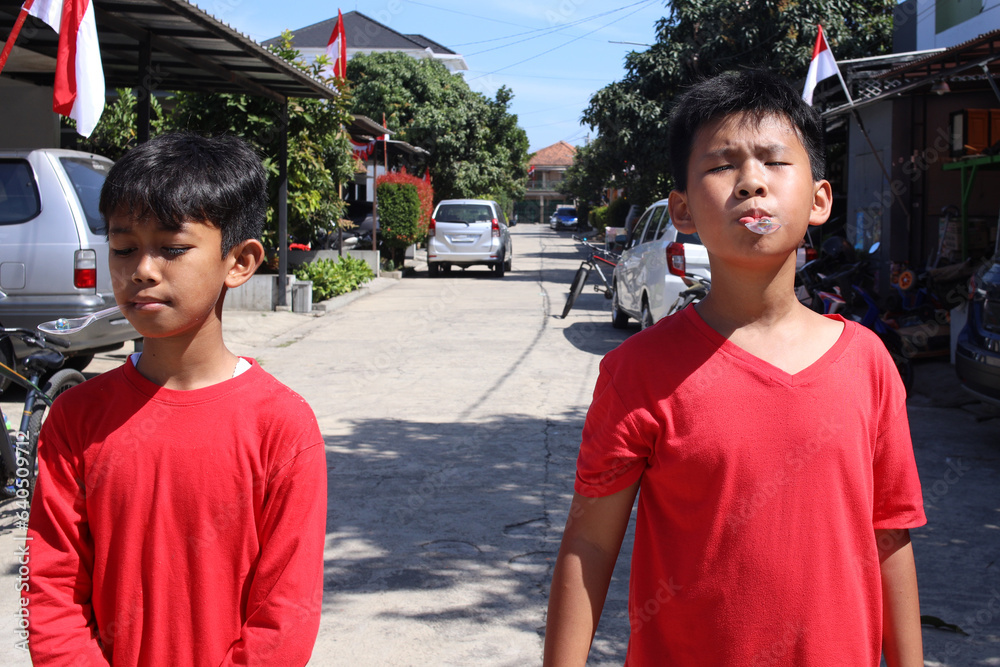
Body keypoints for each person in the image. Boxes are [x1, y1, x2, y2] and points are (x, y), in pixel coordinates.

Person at [543, 69, 925, 667]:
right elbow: (589, 544)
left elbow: (891, 535)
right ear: (683, 209)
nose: (751, 182)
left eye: (774, 161)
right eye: (722, 166)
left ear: (820, 198)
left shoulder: (869, 364)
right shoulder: (638, 373)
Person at [25, 133, 328, 666]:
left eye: (172, 247)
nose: (142, 269)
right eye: (123, 248)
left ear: (240, 261)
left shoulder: (281, 426)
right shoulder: (76, 418)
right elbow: (51, 585)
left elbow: (286, 612)